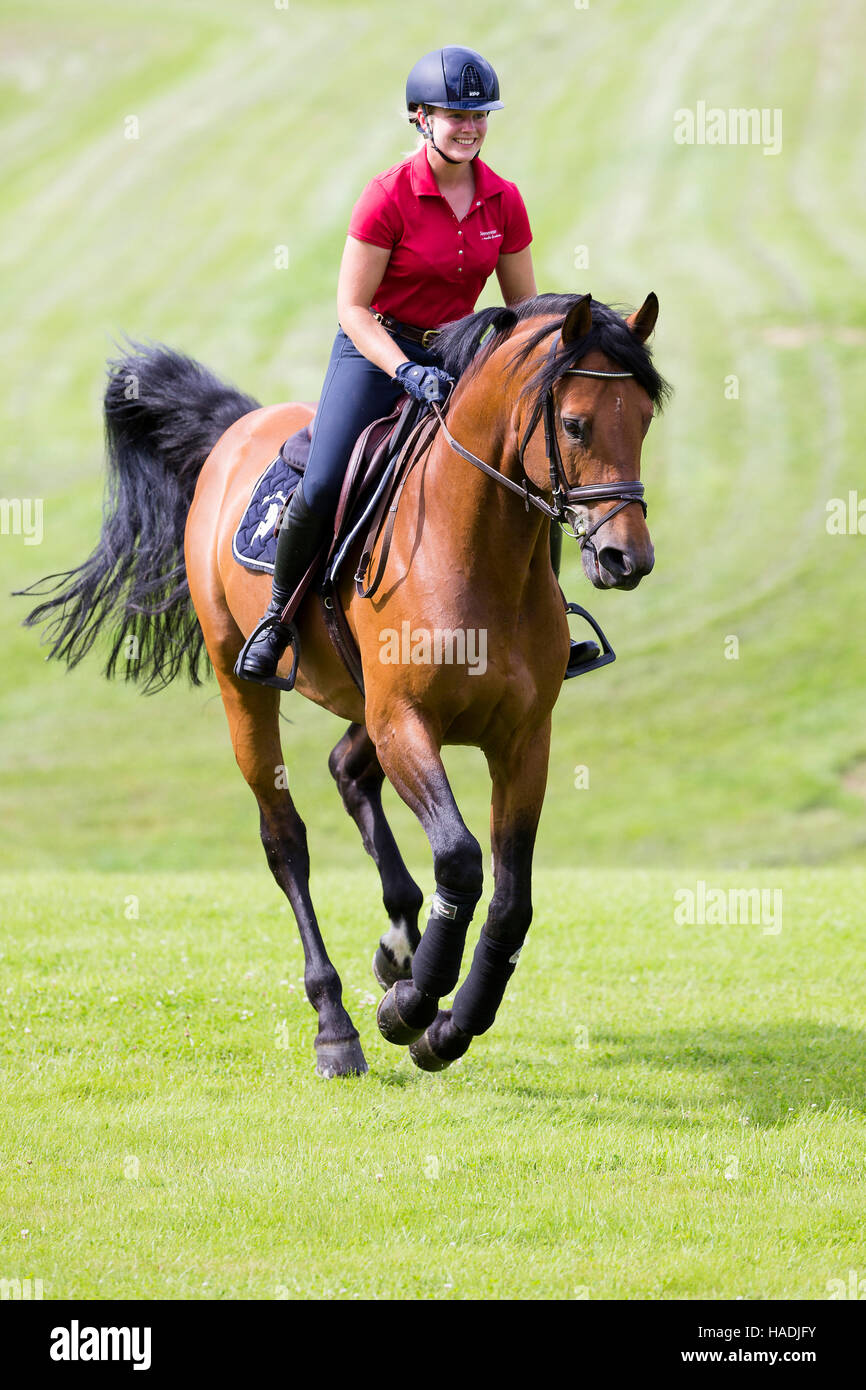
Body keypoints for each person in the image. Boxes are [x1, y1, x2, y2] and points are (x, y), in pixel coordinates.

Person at [237, 44, 537, 684]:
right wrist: (405, 369)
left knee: (533, 466)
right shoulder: (386, 198)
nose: (470, 126)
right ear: (419, 118)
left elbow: (522, 310)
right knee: (321, 484)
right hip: (377, 352)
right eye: (454, 114)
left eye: (480, 115)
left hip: (458, 352)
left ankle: (545, 615)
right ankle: (276, 620)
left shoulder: (504, 201)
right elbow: (352, 309)